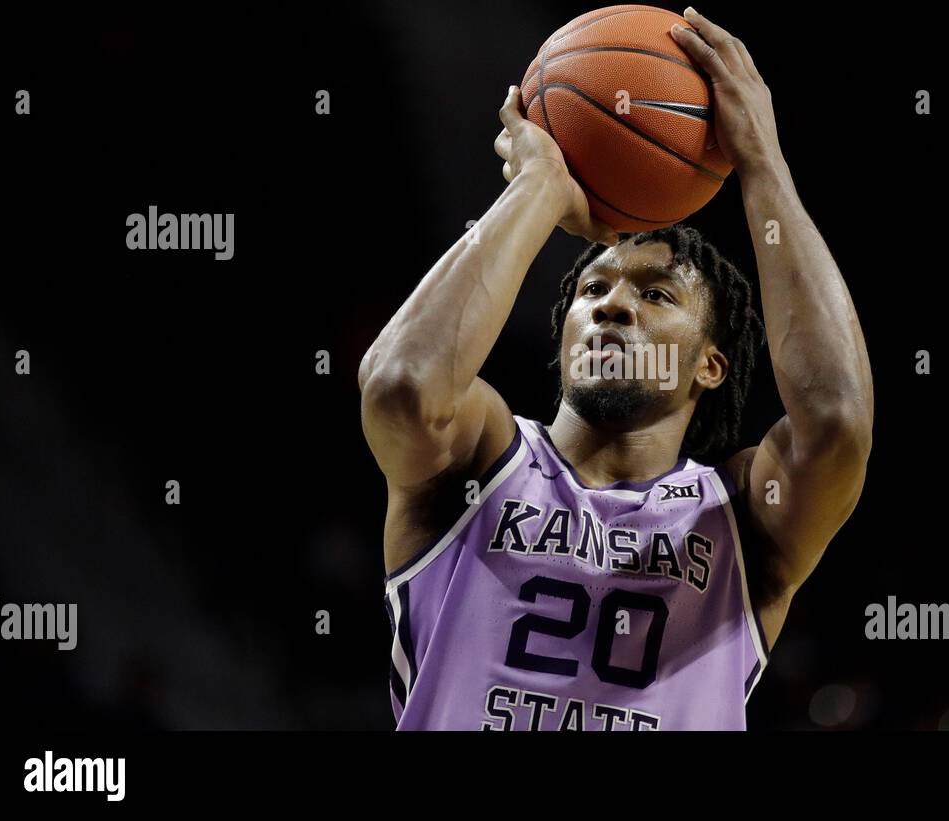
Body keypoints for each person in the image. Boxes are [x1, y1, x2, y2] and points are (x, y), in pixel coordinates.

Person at [359, 8, 873, 730]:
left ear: (712, 364)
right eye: (593, 290)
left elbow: (837, 423)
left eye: (655, 293)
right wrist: (537, 190)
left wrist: (762, 162)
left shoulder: (742, 522)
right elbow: (399, 384)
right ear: (564, 333)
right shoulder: (479, 462)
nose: (613, 307)